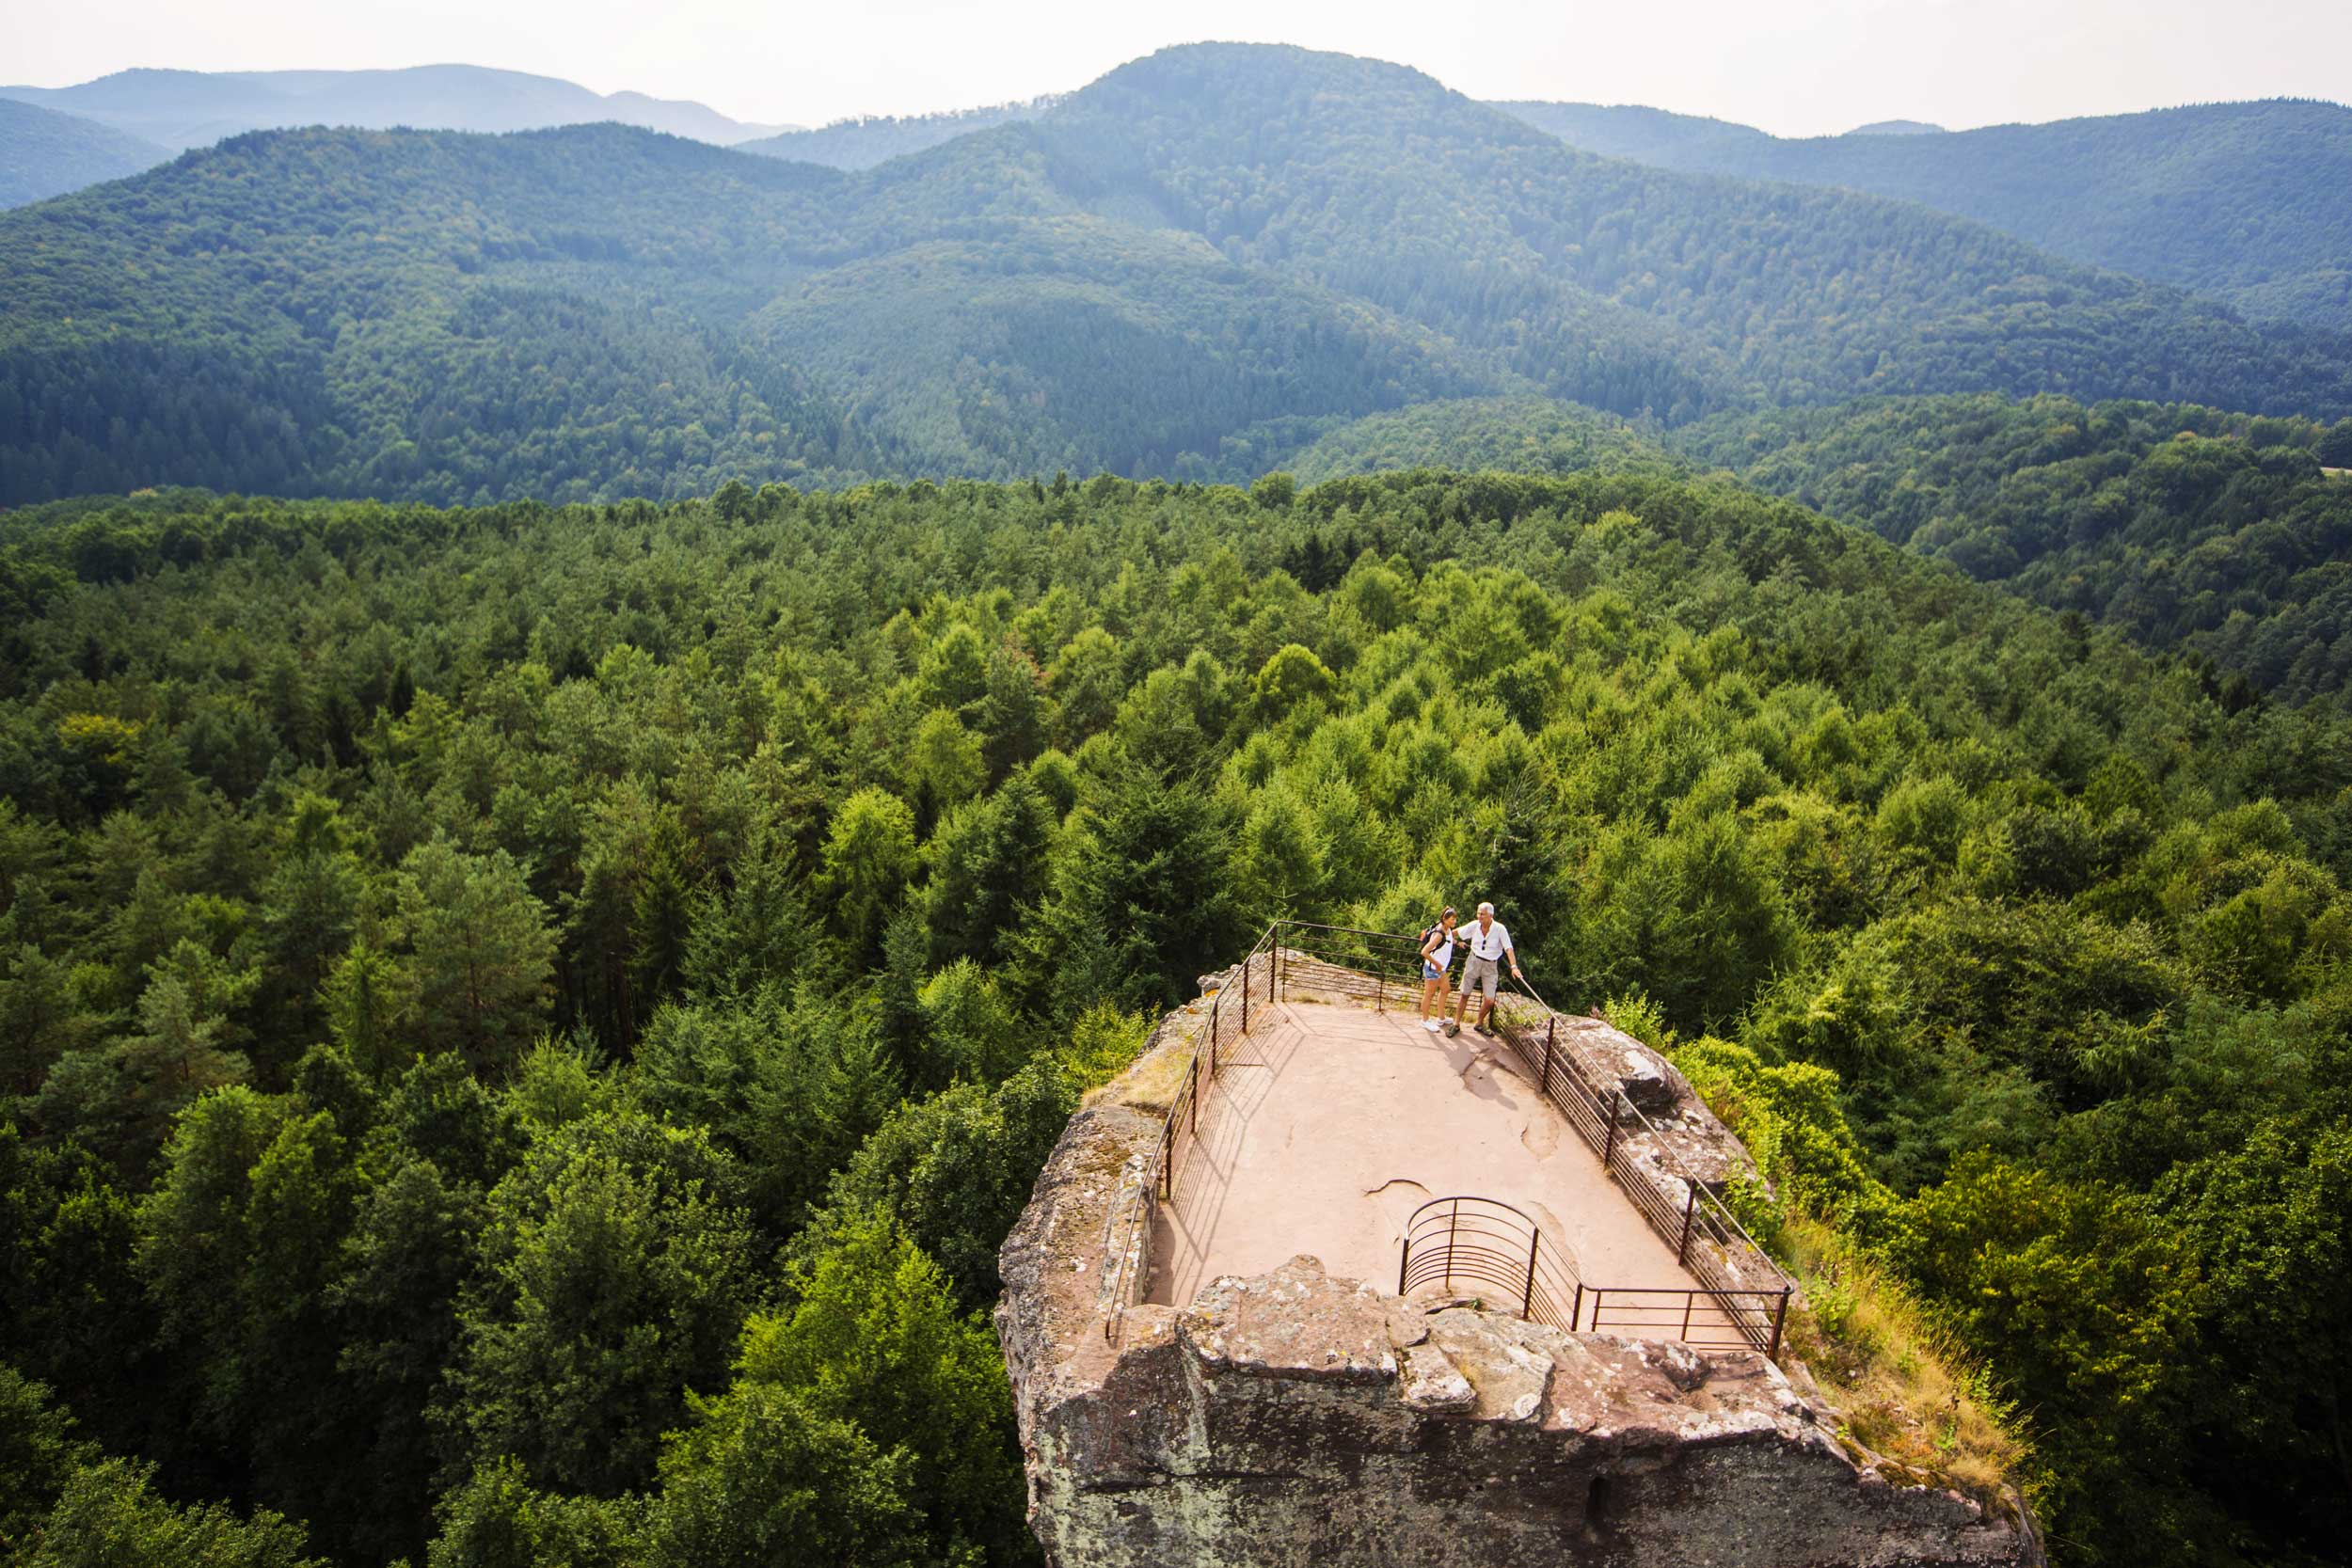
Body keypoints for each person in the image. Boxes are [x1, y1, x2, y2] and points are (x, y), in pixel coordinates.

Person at [1449, 901, 1521, 1037]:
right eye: (1478, 913)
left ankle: (1479, 1023)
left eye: (1482, 914)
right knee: (1464, 994)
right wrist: (1439, 935)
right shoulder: (1474, 925)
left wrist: (1514, 966)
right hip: (1473, 961)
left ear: (1490, 915)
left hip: (1490, 965)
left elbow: (1508, 948)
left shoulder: (1500, 929)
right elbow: (1454, 932)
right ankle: (1456, 1024)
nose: (1479, 916)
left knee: (1489, 1000)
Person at [1418, 907, 1458, 1033]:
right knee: (1429, 994)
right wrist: (1437, 964)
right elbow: (1424, 952)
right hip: (1433, 968)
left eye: (1455, 919)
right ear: (1445, 919)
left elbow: (1449, 940)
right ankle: (1425, 1021)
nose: (1454, 922)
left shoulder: (1448, 930)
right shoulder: (1439, 934)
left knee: (1446, 990)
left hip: (1441, 968)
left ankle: (1441, 1018)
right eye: (1452, 919)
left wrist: (1457, 943)